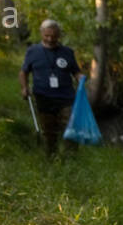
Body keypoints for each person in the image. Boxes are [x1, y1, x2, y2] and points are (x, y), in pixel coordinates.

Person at [19, 19, 83, 158]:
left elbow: (75, 71)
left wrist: (81, 78)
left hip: (66, 97)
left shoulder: (67, 52)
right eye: (47, 35)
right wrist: (24, 88)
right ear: (41, 33)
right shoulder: (32, 51)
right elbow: (24, 72)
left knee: (70, 129)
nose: (50, 39)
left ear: (59, 35)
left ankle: (70, 158)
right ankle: (51, 158)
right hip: (43, 97)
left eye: (54, 36)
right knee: (49, 131)